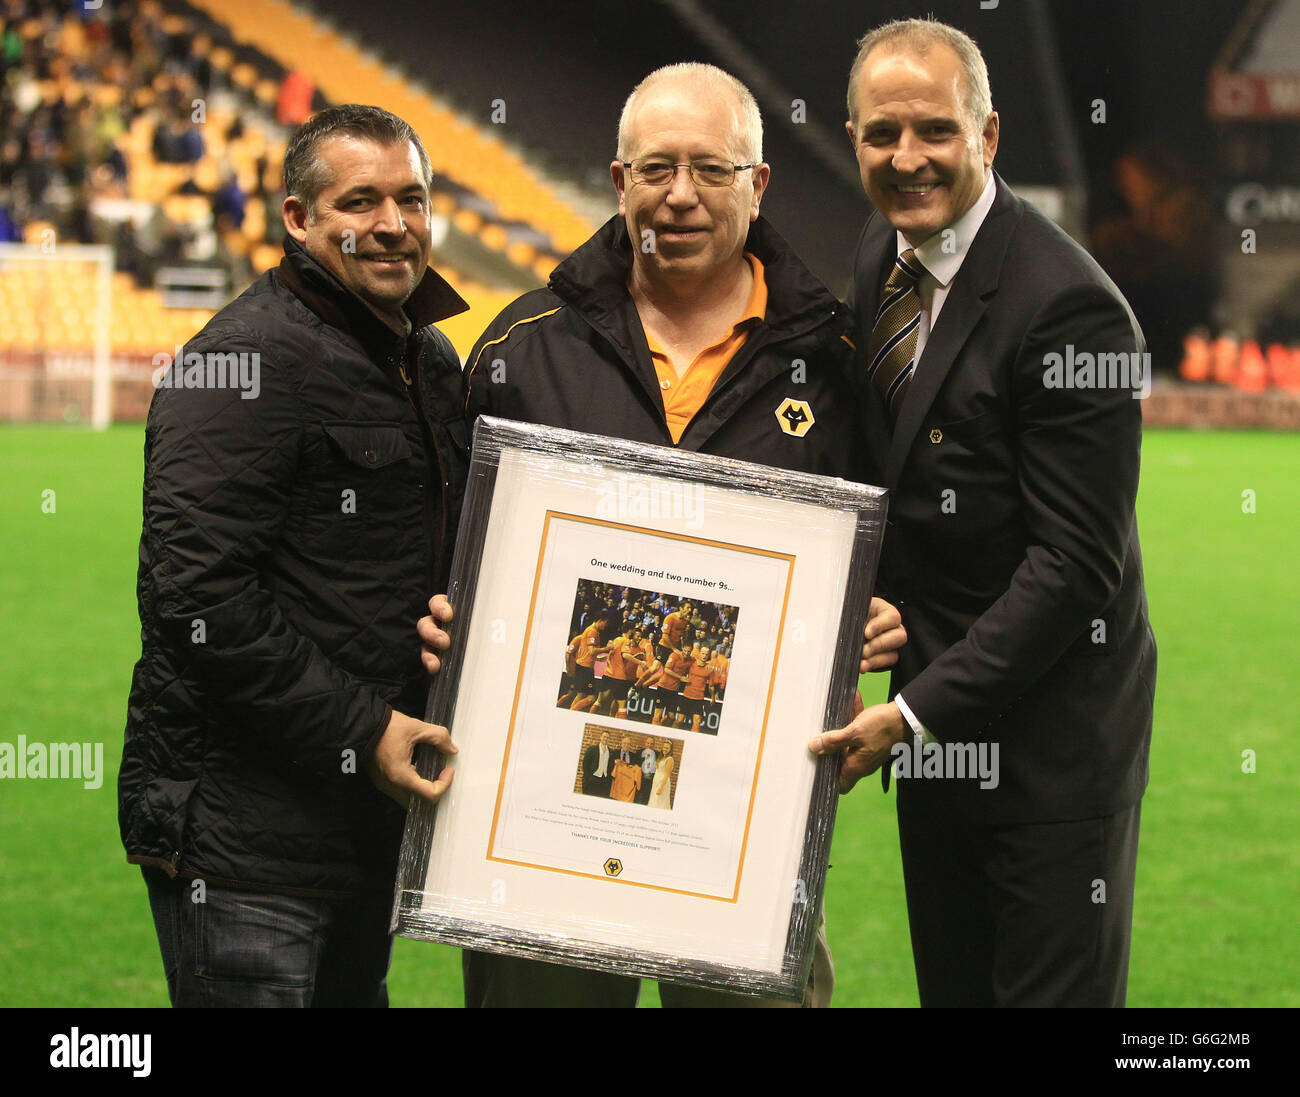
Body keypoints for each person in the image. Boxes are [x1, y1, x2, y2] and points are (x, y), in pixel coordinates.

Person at [421, 61, 906, 1009]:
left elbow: (902, 546)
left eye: (711, 169)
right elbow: (445, 545)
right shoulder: (523, 347)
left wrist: (892, 619)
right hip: (539, 828)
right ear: (617, 182)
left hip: (744, 830)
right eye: (655, 169)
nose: (679, 195)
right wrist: (443, 612)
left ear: (757, 185)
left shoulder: (838, 360)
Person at [812, 18, 1157, 1008]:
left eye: (934, 131)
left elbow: (1073, 567)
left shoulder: (1068, 310)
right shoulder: (880, 251)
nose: (906, 158)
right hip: (936, 735)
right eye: (882, 135)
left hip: (1048, 756)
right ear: (851, 138)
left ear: (988, 135)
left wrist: (911, 714)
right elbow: (892, 478)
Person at [119, 104, 467, 1008]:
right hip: (246, 840)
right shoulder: (236, 360)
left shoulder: (426, 357)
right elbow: (196, 599)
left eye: (413, 198)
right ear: (299, 219)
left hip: (360, 825)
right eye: (361, 201)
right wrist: (365, 728)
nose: (394, 223)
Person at [581, 731, 614, 799]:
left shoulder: (611, 752)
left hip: (604, 781)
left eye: (607, 737)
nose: (605, 739)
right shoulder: (592, 749)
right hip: (592, 779)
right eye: (604, 736)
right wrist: (588, 778)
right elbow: (585, 764)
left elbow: (611, 766)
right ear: (600, 737)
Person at [648, 741, 675, 810]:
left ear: (670, 749)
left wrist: (660, 788)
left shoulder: (670, 759)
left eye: (667, 748)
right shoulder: (662, 758)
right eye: (664, 747)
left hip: (662, 784)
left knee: (659, 804)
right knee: (654, 802)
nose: (665, 749)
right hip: (656, 783)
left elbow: (667, 775)